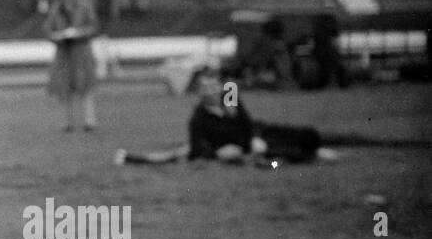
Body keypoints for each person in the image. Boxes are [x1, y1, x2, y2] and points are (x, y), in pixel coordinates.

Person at [115, 70, 337, 167]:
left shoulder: (229, 98)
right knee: (278, 158)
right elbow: (196, 150)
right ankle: (313, 156)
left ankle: (315, 148)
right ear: (199, 92)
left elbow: (246, 121)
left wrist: (253, 137)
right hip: (242, 149)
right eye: (206, 88)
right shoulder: (199, 118)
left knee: (309, 135)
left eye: (215, 86)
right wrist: (219, 154)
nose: (212, 91)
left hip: (257, 134)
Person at [45, 0, 99, 131]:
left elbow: (94, 26)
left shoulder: (84, 6)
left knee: (85, 85)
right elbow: (48, 29)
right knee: (64, 87)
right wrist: (56, 36)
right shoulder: (55, 9)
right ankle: (66, 122)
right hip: (64, 52)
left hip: (81, 50)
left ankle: (89, 121)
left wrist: (79, 32)